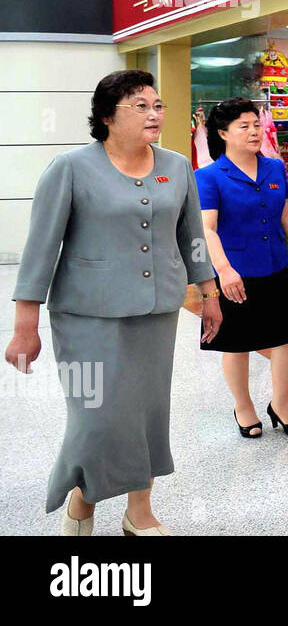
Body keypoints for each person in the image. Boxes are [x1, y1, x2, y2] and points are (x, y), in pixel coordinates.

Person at [5, 70, 220, 536]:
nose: (155, 114)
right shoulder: (71, 167)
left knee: (146, 413)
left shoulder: (177, 165)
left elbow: (192, 237)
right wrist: (25, 325)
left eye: (157, 105)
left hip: (157, 312)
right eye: (140, 105)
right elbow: (41, 247)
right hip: (86, 317)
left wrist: (209, 290)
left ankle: (138, 512)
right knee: (95, 417)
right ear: (106, 116)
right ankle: (83, 499)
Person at [195, 99, 288, 439]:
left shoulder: (275, 168)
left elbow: (286, 213)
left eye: (256, 125)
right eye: (244, 126)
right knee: (238, 343)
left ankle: (280, 403)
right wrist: (224, 269)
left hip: (275, 265)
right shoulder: (209, 177)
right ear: (223, 133)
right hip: (235, 272)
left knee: (284, 338)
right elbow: (207, 229)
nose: (254, 132)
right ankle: (243, 406)